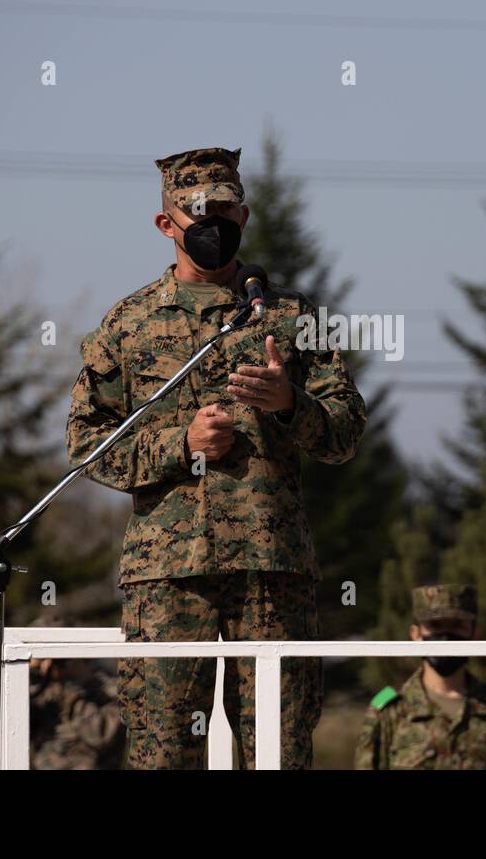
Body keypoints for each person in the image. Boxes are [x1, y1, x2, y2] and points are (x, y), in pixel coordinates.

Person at [67, 146, 366, 769]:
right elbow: (87, 444)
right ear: (166, 223)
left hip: (271, 567)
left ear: (244, 217)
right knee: (163, 752)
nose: (214, 225)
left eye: (225, 213)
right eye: (198, 214)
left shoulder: (291, 317)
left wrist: (291, 404)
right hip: (167, 575)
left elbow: (344, 434)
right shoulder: (128, 324)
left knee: (279, 752)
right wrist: (181, 445)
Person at [355, 584, 486, 770]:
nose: (446, 637)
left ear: (475, 634)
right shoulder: (389, 712)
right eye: (435, 626)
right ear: (416, 634)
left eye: (457, 626)